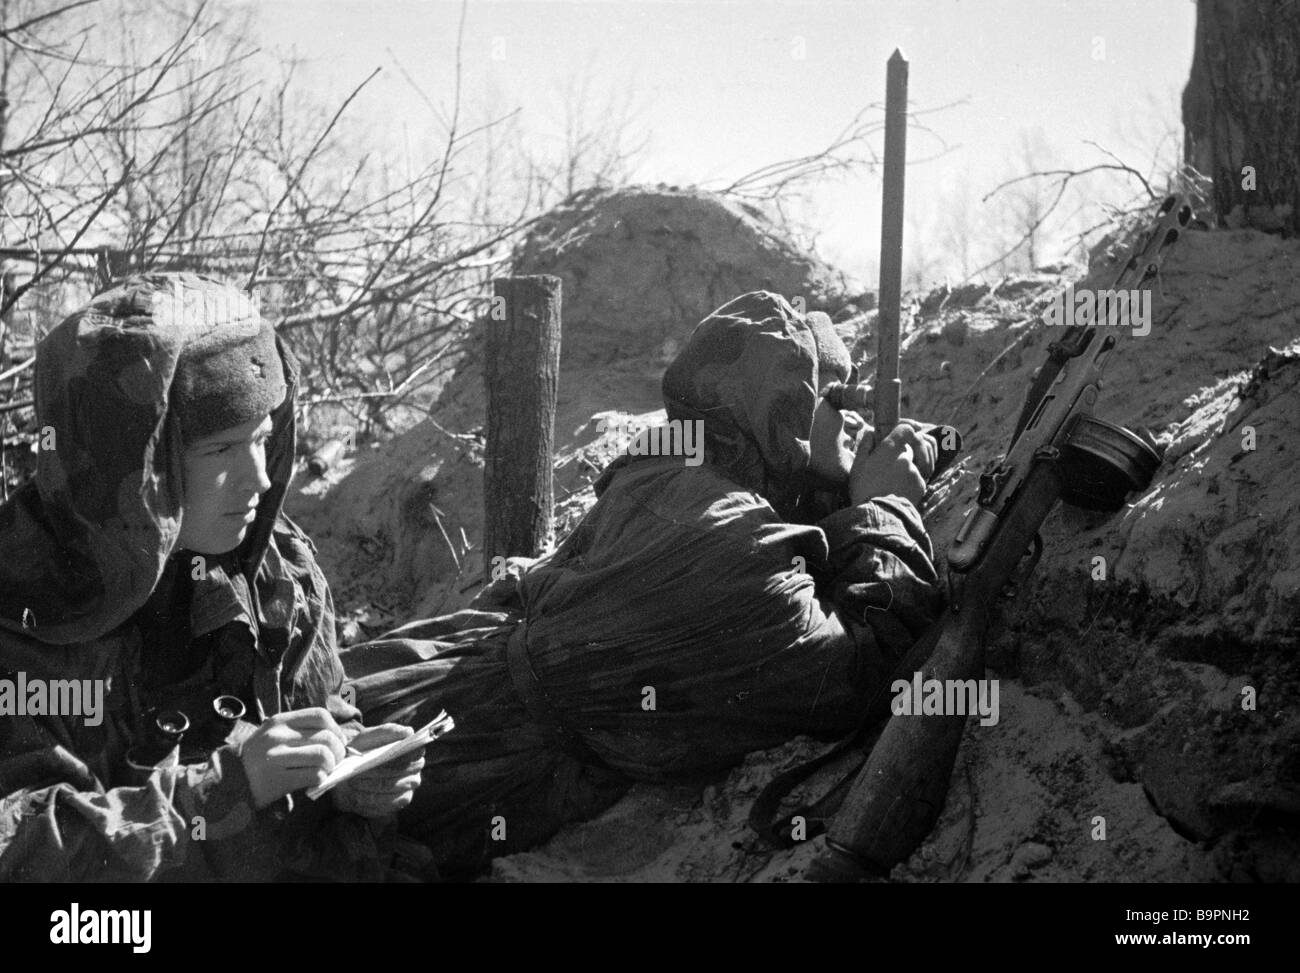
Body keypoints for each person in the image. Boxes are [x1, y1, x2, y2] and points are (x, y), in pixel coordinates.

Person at [343, 290, 945, 878]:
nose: (855, 415)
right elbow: (857, 673)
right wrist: (886, 506)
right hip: (469, 754)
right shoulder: (721, 539)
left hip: (439, 674)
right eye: (832, 396)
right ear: (779, 410)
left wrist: (831, 491)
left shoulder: (671, 468)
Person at [0, 272, 427, 881]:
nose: (257, 479)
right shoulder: (22, 610)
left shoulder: (275, 565)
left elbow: (326, 705)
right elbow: (23, 852)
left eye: (262, 440)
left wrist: (349, 771)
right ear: (135, 464)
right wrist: (224, 791)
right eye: (219, 452)